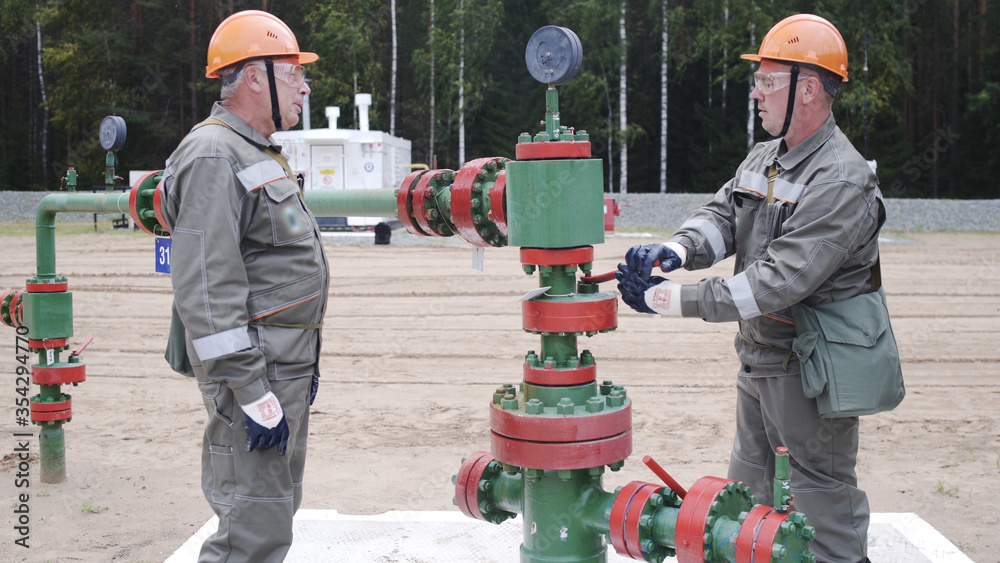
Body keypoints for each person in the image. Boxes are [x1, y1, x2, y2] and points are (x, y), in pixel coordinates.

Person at [616, 14, 879, 563]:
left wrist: (666, 298)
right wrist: (678, 250)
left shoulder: (841, 179)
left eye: (767, 81)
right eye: (756, 81)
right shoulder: (766, 157)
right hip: (761, 360)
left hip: (811, 371)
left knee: (821, 510)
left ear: (808, 89)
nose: (756, 93)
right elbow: (724, 213)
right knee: (748, 511)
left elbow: (773, 283)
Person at [158, 10, 328, 562]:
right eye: (292, 74)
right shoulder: (213, 155)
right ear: (253, 77)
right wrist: (252, 394)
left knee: (272, 512)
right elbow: (207, 291)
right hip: (257, 376)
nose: (304, 86)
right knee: (251, 533)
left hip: (283, 369)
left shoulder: (254, 152)